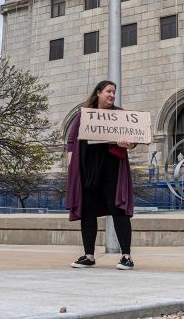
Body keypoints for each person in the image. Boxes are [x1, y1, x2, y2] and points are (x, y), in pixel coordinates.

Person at [66, 80, 136, 270]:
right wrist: (72, 166)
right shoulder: (84, 114)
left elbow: (135, 139)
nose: (112, 95)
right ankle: (89, 255)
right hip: (88, 170)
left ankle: (126, 256)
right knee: (88, 211)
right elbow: (71, 139)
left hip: (112, 170)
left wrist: (128, 144)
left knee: (118, 211)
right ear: (98, 93)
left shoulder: (120, 115)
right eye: (108, 91)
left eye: (114, 92)